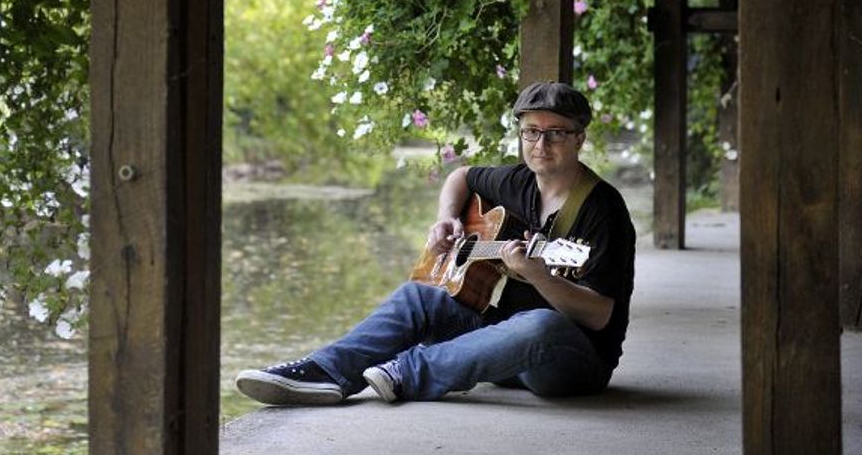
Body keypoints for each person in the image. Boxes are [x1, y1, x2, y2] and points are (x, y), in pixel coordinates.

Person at [235, 81, 635, 405]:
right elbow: (461, 177)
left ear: (579, 140)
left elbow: (599, 315)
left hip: (568, 363)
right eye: (531, 132)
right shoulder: (517, 181)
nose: (540, 145)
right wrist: (445, 218)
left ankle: (407, 372)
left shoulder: (603, 210)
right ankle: (326, 372)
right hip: (502, 347)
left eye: (555, 134)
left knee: (541, 323)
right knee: (420, 297)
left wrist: (539, 276)